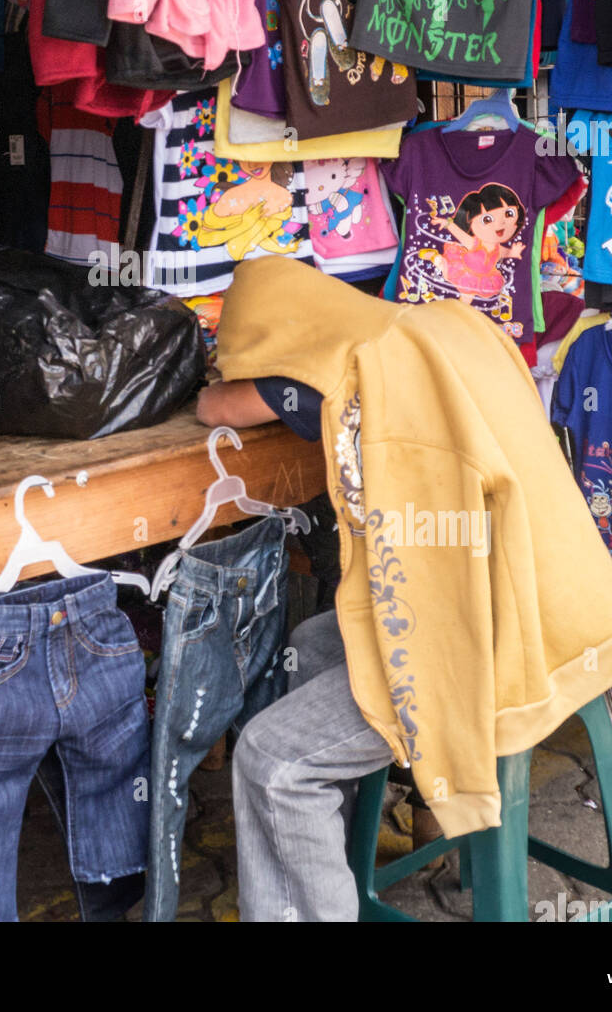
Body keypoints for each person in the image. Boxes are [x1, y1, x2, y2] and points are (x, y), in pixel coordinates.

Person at [195, 373, 442, 922]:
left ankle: (309, 845)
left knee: (272, 760)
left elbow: (217, 405)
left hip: (467, 643)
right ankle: (331, 861)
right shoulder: (438, 345)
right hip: (466, 610)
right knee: (311, 641)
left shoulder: (345, 365)